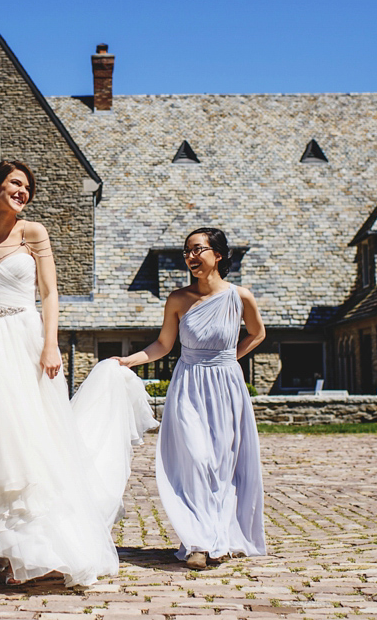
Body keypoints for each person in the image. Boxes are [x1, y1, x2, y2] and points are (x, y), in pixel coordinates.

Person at [0, 161, 158, 588]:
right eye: (16, 183)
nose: (23, 192)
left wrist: (49, 343)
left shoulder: (34, 233)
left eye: (27, 187)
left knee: (31, 437)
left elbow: (49, 292)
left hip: (26, 340)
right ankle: (4, 545)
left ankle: (35, 543)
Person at [116, 227, 267, 570]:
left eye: (198, 249)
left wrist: (228, 359)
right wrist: (128, 361)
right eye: (187, 251)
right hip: (188, 386)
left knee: (222, 465)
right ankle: (198, 543)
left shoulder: (240, 297)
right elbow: (163, 345)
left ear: (218, 254)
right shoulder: (178, 299)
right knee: (196, 459)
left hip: (226, 388)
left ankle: (219, 538)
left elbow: (258, 334)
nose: (190, 256)